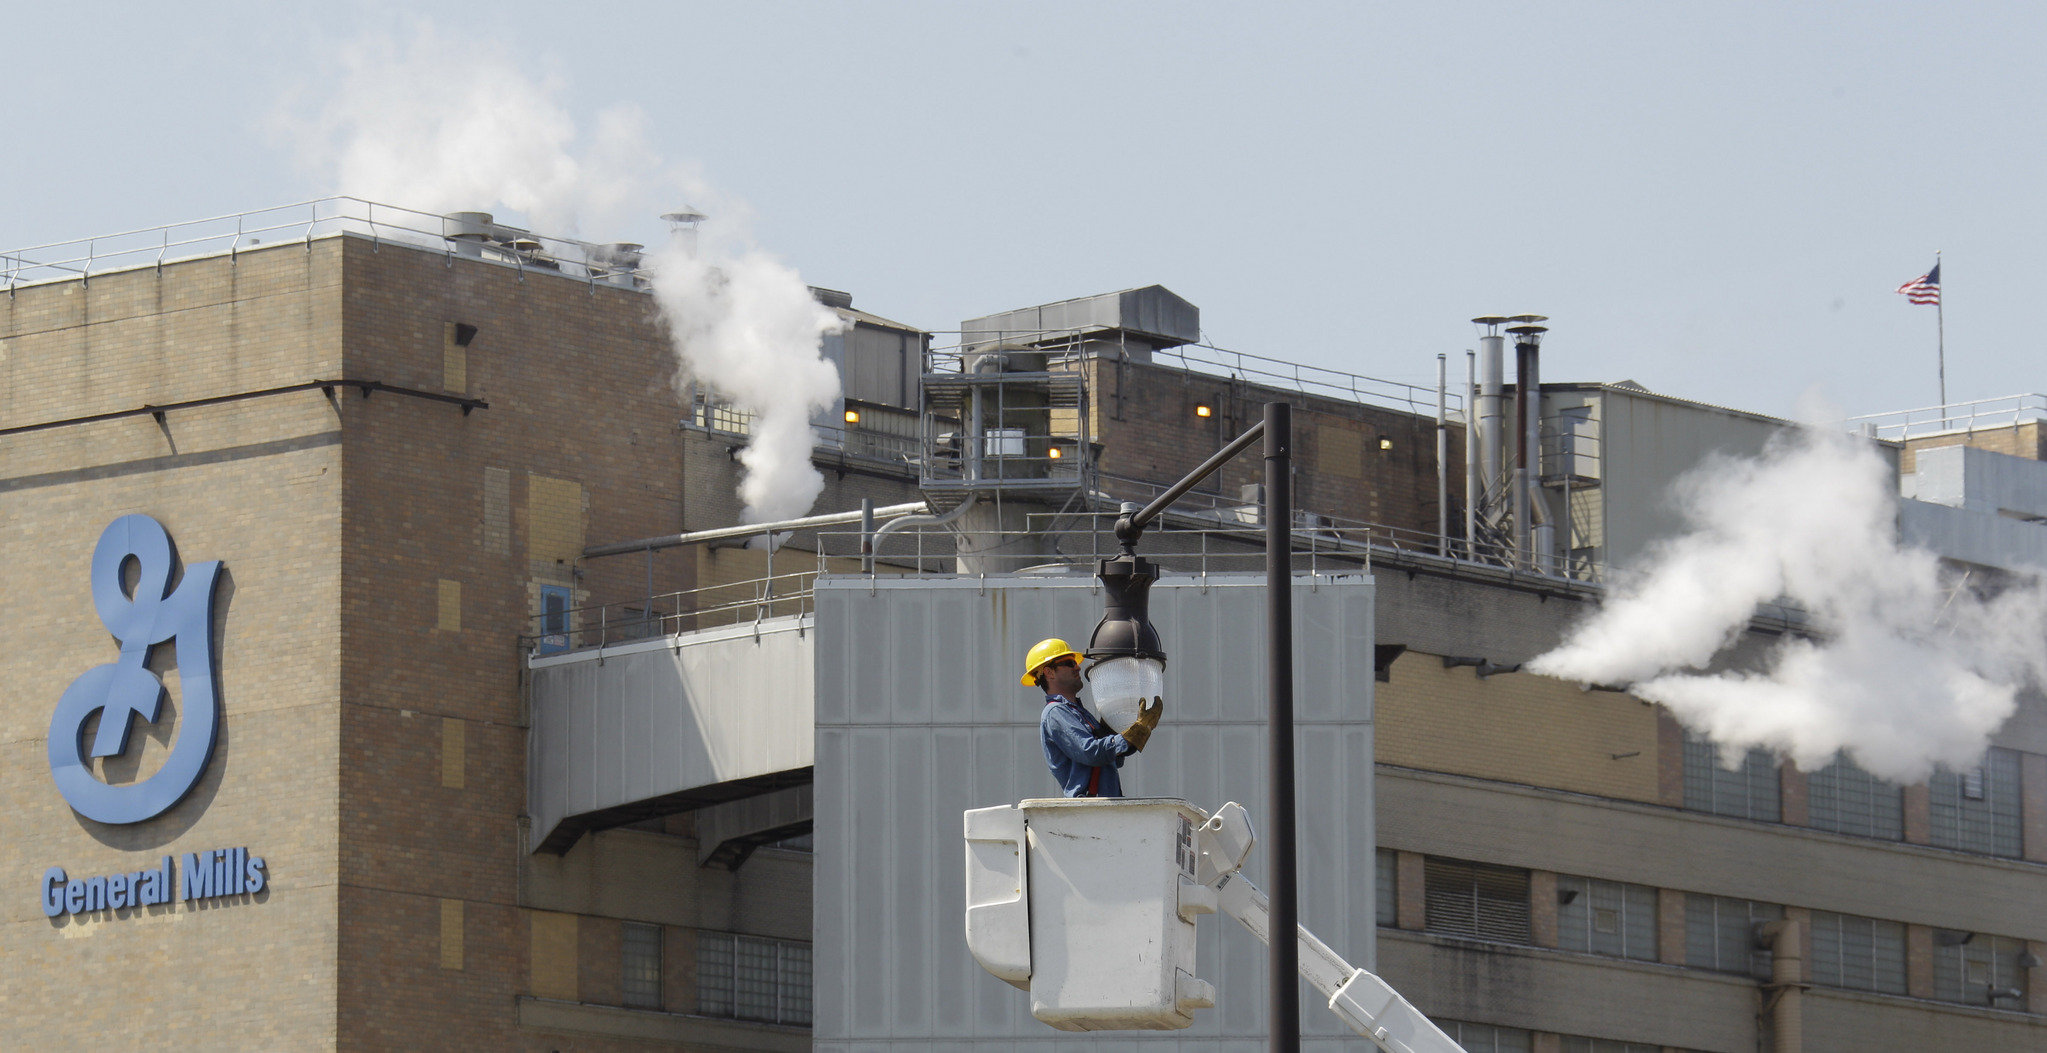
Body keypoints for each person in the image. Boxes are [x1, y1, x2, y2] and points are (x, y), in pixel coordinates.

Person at [1021, 637, 1162, 798]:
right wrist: (1136, 730)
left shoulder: (1079, 713)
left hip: (1102, 805)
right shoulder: (1055, 712)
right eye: (1069, 663)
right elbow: (1091, 752)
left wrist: (1140, 729)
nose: (1077, 668)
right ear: (1049, 672)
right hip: (1089, 807)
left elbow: (1113, 758)